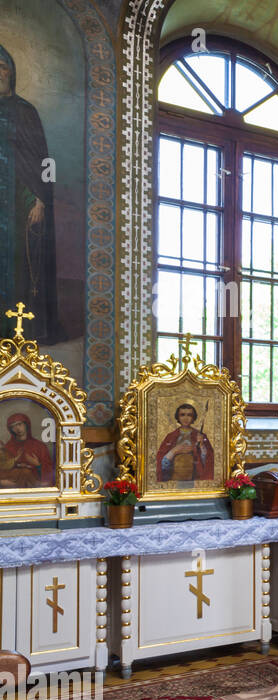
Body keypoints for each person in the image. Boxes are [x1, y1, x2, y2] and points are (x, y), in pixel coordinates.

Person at [0, 44, 59, 340]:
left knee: (20, 265)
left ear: (11, 72)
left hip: (22, 199)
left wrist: (41, 200)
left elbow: (45, 159)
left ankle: (19, 332)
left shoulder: (26, 111)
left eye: (2, 66)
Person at [156, 403, 215, 483]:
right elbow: (160, 463)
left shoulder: (200, 436)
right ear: (178, 417)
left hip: (195, 480)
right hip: (173, 480)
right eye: (182, 415)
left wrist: (201, 446)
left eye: (189, 415)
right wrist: (173, 451)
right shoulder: (171, 437)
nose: (186, 418)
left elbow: (209, 462)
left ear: (193, 417)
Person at [0, 412, 55, 487]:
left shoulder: (40, 446)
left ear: (26, 425)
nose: (17, 428)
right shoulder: (8, 447)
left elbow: (50, 473)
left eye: (19, 424)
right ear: (11, 429)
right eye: (13, 426)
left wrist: (37, 465)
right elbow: (3, 468)